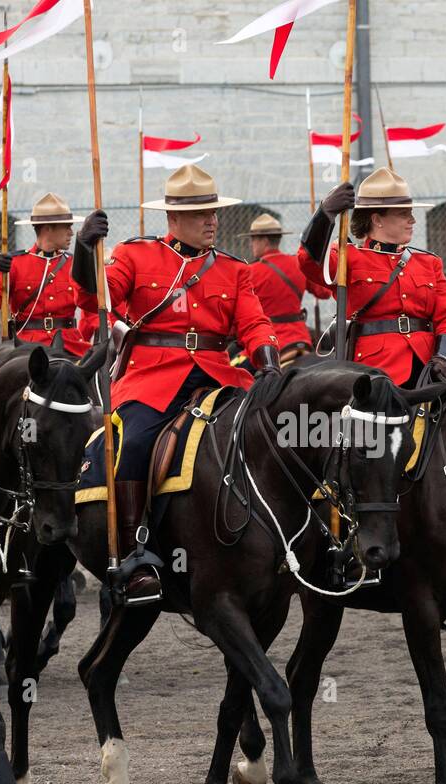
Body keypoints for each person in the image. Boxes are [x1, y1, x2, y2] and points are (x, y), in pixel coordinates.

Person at [72, 164, 280, 605]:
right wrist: (82, 250)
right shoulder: (135, 256)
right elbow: (97, 299)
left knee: (272, 434)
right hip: (152, 378)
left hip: (218, 376)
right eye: (202, 212)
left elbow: (255, 324)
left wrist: (268, 363)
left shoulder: (234, 269)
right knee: (135, 442)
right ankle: (133, 555)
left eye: (214, 211)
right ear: (173, 218)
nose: (212, 220)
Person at [300, 167, 446, 385]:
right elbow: (308, 262)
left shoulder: (428, 262)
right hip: (378, 368)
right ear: (377, 219)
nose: (412, 220)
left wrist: (444, 355)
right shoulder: (347, 256)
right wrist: (324, 214)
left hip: (431, 363)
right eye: (403, 214)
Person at [0, 192, 98, 357]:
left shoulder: (73, 264)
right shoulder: (15, 263)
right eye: (66, 226)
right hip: (27, 347)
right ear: (48, 228)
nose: (71, 232)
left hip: (69, 345)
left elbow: (91, 306)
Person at [237, 213, 330, 365]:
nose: (250, 244)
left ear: (265, 240)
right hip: (302, 339)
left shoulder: (250, 272)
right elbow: (324, 293)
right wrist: (316, 263)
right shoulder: (299, 264)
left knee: (234, 368)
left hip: (269, 341)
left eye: (253, 239)